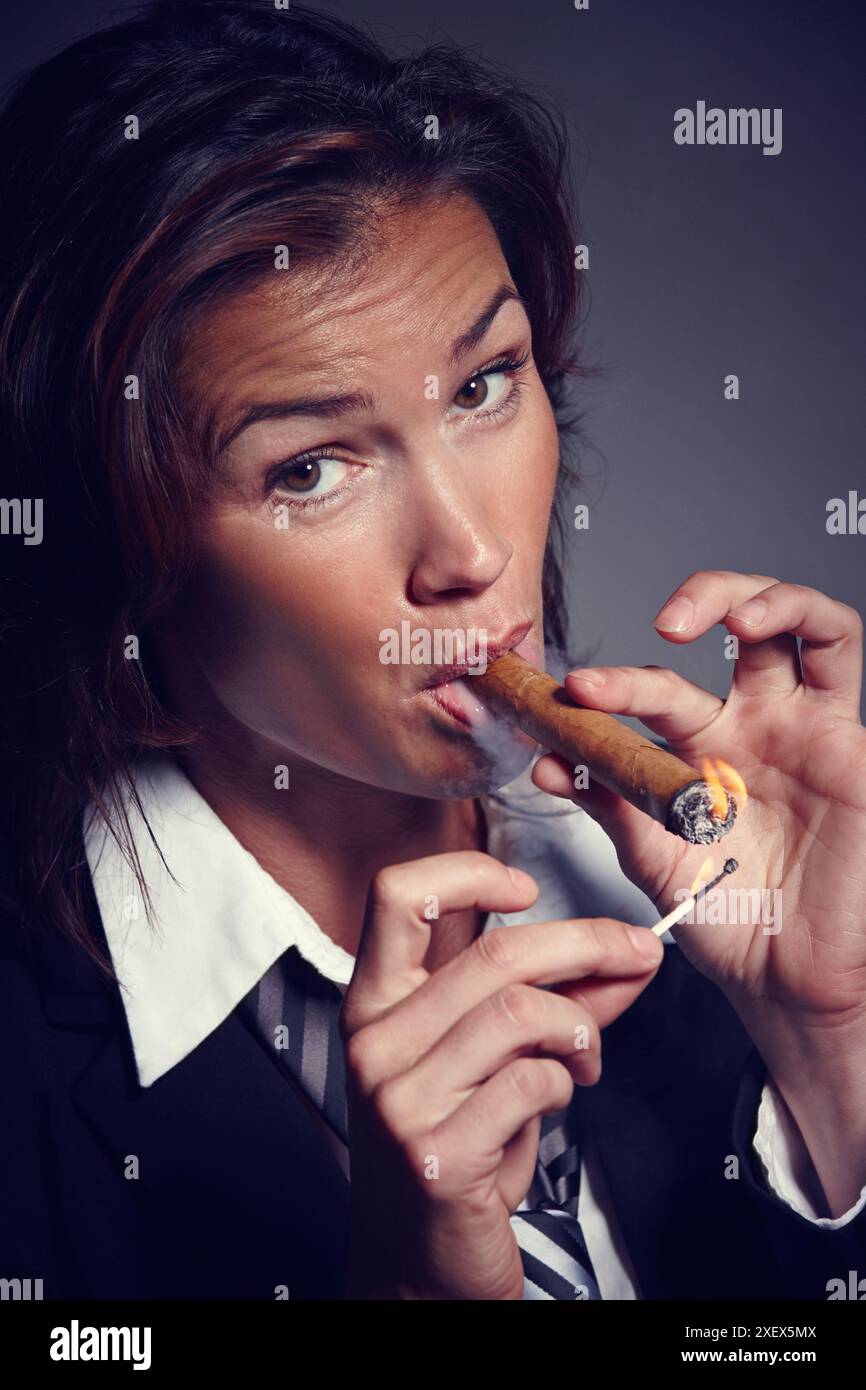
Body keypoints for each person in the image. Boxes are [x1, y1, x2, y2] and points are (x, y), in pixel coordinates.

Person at [1, 0, 864, 1301]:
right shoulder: (30, 1084)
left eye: (482, 385)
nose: (469, 547)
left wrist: (831, 1045)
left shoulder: (694, 902)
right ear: (113, 554)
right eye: (308, 467)